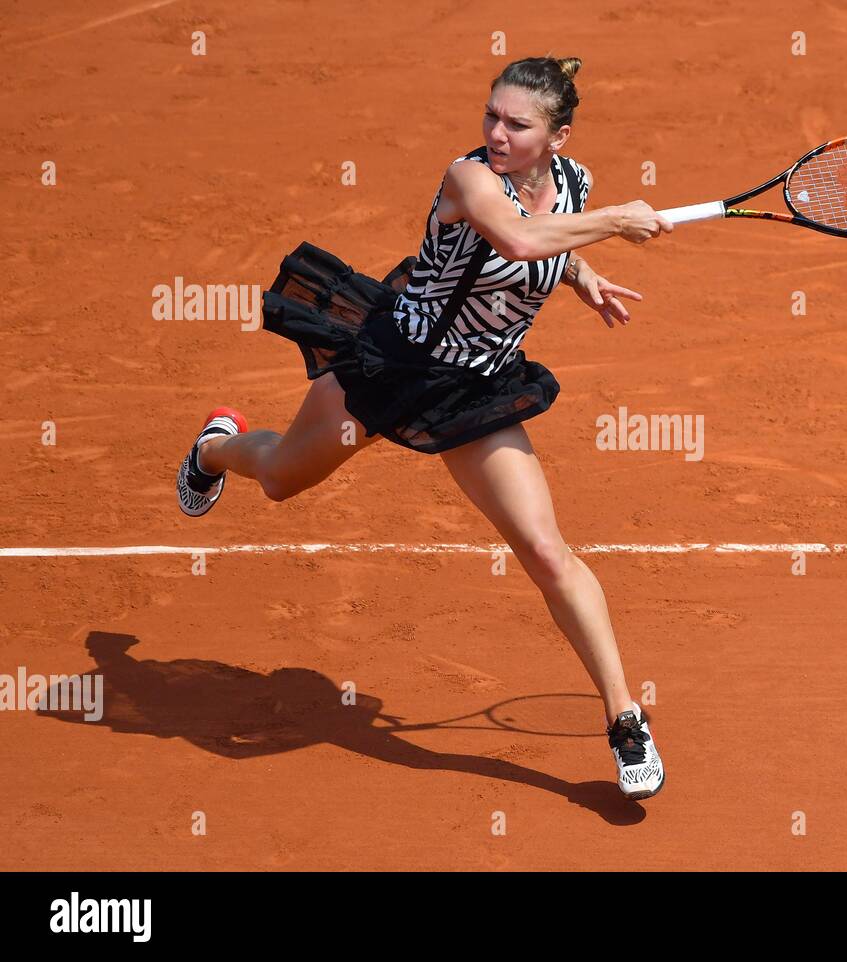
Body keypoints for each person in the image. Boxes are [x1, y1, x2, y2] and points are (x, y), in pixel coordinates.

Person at [174, 55, 672, 800]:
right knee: (279, 479)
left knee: (544, 549)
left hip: (478, 389)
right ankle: (215, 447)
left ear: (557, 138)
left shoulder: (576, 184)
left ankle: (624, 717)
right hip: (395, 367)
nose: (495, 133)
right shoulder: (468, 179)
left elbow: (550, 243)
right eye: (491, 116)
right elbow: (519, 240)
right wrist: (617, 225)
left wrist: (585, 274)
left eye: (517, 124)